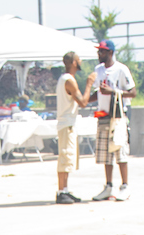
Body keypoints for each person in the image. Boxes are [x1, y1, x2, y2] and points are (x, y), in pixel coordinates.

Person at [90, 40, 136, 202]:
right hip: (103, 115)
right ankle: (108, 186)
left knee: (120, 151)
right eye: (99, 51)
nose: (99, 54)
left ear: (110, 53)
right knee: (105, 154)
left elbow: (133, 92)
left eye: (102, 51)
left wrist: (113, 91)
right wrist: (84, 100)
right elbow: (98, 91)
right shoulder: (98, 70)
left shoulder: (121, 69)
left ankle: (125, 185)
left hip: (117, 117)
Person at [55, 51, 93, 205]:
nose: (81, 61)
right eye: (79, 59)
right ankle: (61, 191)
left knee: (68, 158)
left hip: (67, 123)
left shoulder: (64, 79)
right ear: (74, 63)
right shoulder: (69, 80)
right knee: (65, 157)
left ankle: (65, 190)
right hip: (67, 124)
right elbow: (83, 102)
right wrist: (89, 83)